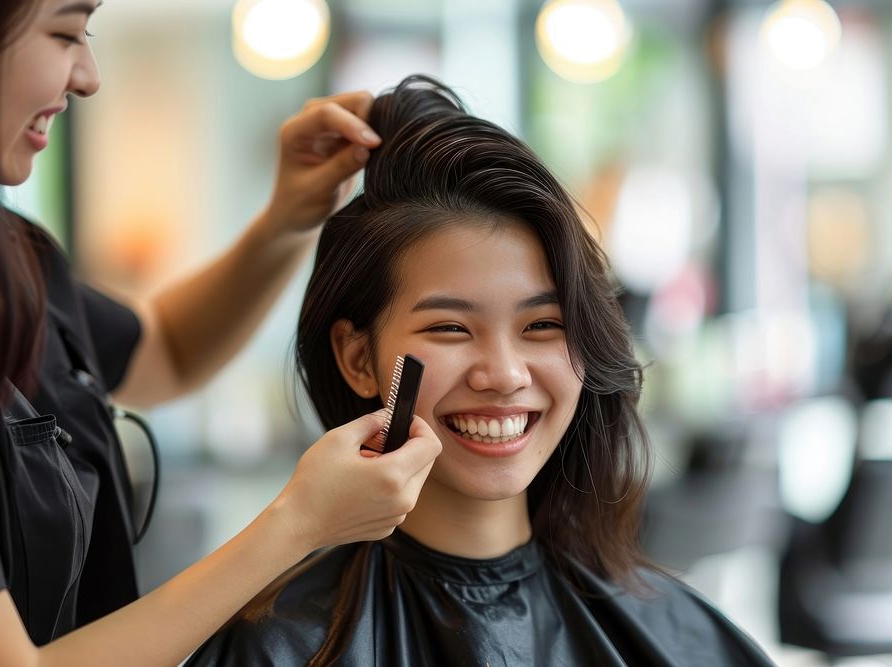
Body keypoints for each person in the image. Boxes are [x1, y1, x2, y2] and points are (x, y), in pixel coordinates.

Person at [0, 1, 442, 665]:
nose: (89, 76)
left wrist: (285, 220)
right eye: (66, 33)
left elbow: (168, 350)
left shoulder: (4, 255)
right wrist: (295, 524)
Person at [187, 76, 776, 666]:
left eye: (543, 326)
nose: (504, 374)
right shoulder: (281, 646)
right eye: (450, 328)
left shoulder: (678, 635)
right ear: (358, 359)